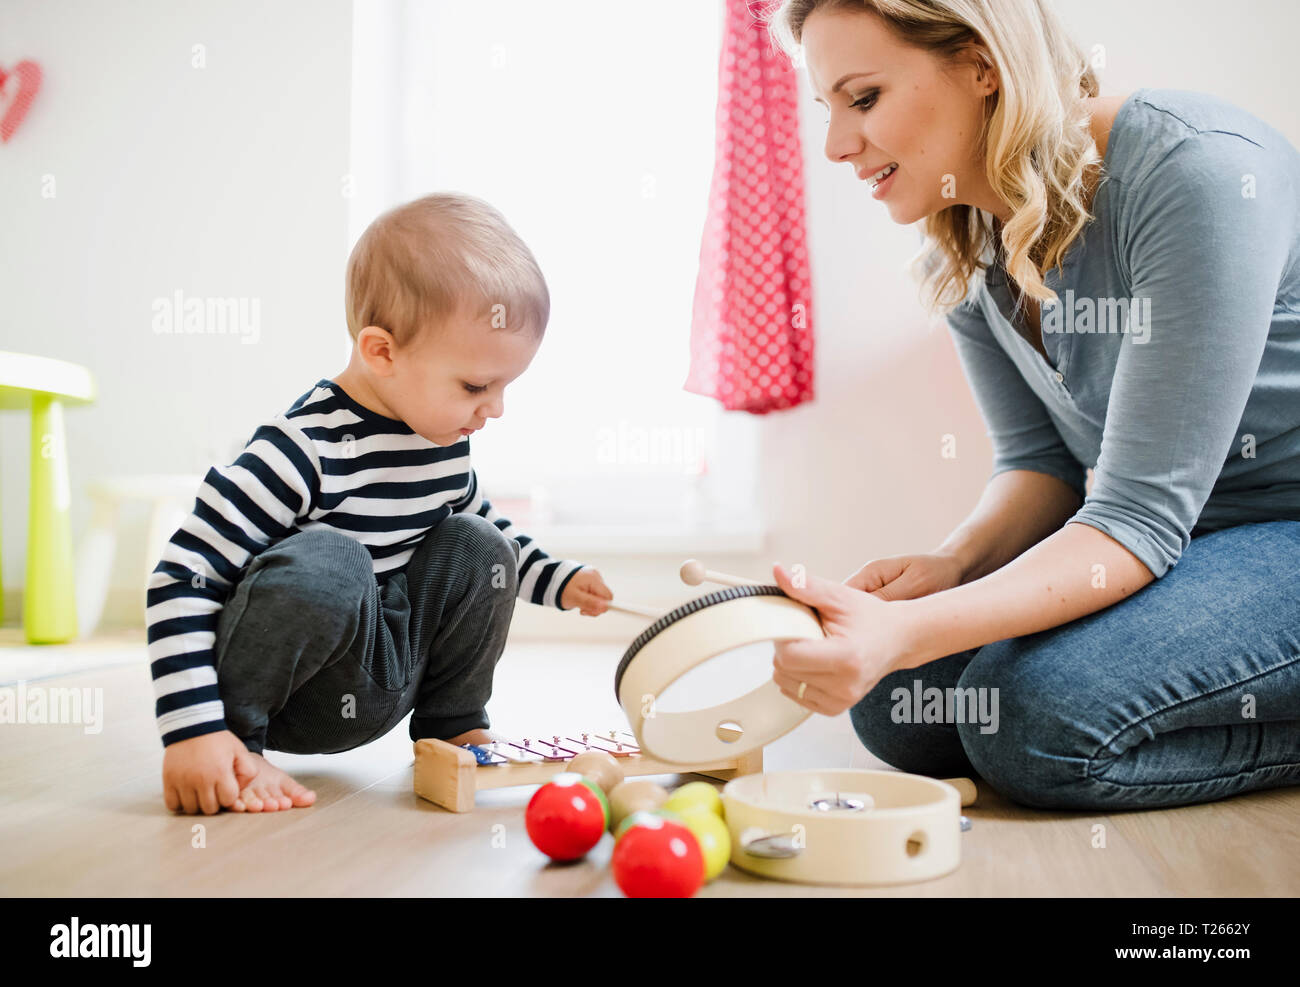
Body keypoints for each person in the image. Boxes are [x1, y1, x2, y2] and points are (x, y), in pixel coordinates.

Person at [764, 0, 1300, 809]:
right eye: (827, 108)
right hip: (1180, 539)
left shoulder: (1194, 171)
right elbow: (1042, 466)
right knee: (902, 706)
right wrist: (952, 566)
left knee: (1033, 723)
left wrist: (908, 628)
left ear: (982, 64)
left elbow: (1138, 514)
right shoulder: (966, 230)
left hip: (1274, 528)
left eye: (864, 98)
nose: (837, 145)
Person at [149, 193, 613, 815]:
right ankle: (239, 743)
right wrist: (194, 732)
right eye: (476, 386)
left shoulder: (442, 440)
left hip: (387, 675)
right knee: (332, 559)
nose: (494, 408)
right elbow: (180, 577)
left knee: (479, 543)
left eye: (505, 387)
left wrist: (562, 581)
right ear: (382, 352)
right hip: (299, 693)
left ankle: (452, 726)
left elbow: (495, 535)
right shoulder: (300, 449)